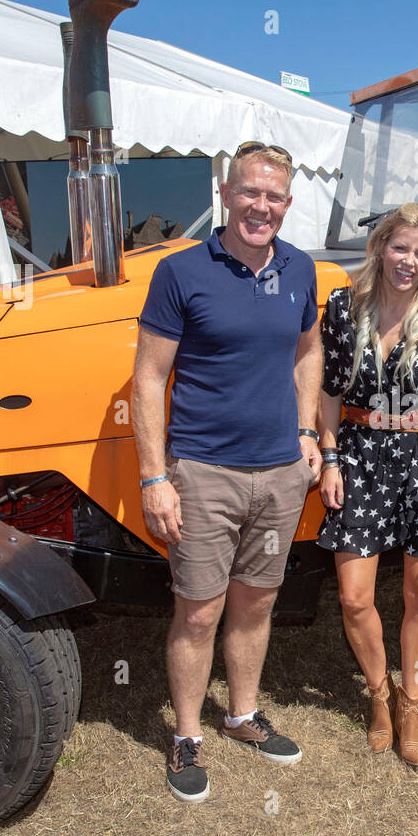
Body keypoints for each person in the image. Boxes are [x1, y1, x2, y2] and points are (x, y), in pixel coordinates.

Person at [133, 141, 321, 802]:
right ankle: (188, 733)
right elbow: (149, 378)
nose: (260, 206)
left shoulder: (300, 268)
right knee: (199, 609)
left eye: (273, 197)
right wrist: (154, 476)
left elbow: (307, 349)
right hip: (203, 471)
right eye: (250, 193)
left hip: (279, 475)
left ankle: (241, 714)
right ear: (227, 195)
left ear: (287, 204)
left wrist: (306, 429)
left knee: (257, 599)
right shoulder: (181, 272)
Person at [317, 202, 418, 767]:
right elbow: (329, 390)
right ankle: (379, 695)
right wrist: (329, 458)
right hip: (357, 456)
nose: (408, 261)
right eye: (401, 248)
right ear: (382, 246)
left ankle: (413, 702)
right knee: (354, 597)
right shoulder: (343, 306)